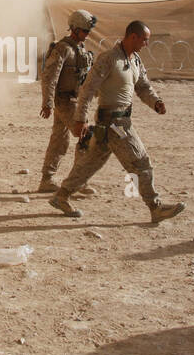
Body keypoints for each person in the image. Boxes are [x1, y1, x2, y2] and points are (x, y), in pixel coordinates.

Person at [49, 20, 184, 223]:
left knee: (89, 165)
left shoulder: (135, 61)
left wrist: (155, 102)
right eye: (144, 40)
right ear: (133, 37)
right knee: (140, 162)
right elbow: (87, 90)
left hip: (116, 123)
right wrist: (80, 119)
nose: (146, 44)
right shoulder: (109, 59)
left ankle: (61, 196)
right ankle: (155, 208)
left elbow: (143, 87)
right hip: (115, 124)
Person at [38, 11, 97, 194]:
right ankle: (78, 181)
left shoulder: (80, 49)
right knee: (85, 135)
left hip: (74, 100)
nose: (87, 34)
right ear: (75, 29)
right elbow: (49, 77)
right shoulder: (63, 49)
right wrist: (47, 103)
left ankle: (47, 180)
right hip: (64, 101)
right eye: (85, 31)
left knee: (59, 140)